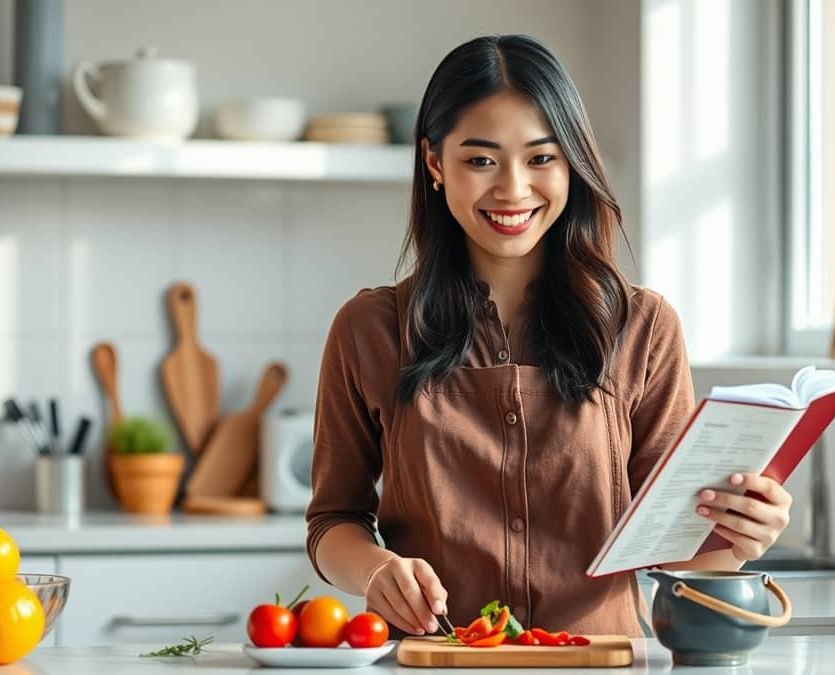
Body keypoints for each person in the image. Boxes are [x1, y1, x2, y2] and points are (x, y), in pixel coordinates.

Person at [305, 34, 793, 638]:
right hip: (440, 660)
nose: (513, 188)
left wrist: (741, 537)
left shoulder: (643, 327)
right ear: (434, 163)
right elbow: (332, 521)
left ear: (573, 163)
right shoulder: (369, 328)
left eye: (541, 158)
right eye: (480, 159)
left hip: (602, 660)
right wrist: (377, 569)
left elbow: (680, 549)